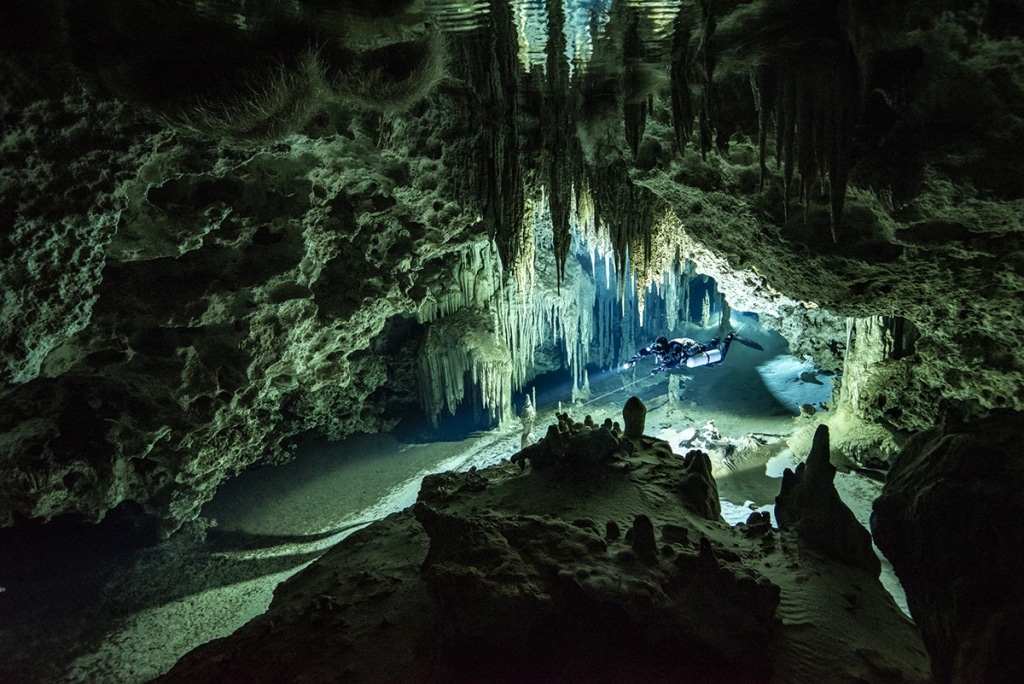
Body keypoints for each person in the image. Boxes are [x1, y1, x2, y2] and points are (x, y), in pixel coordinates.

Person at [626, 331, 762, 375]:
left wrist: (660, 369)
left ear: (665, 347)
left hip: (690, 349)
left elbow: (672, 362)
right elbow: (643, 352)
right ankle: (714, 341)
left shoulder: (674, 348)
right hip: (687, 356)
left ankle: (729, 337)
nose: (658, 353)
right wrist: (633, 360)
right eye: (657, 351)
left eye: (660, 351)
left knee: (716, 358)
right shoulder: (656, 348)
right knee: (707, 354)